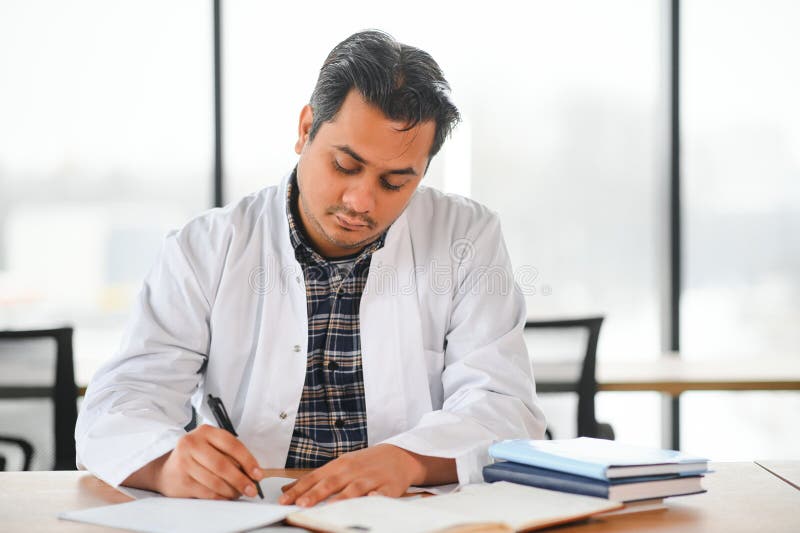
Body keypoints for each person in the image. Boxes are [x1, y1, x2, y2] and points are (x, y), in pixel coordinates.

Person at [75, 30, 546, 507]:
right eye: (345, 165)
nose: (361, 201)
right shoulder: (205, 248)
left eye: (395, 182)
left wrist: (408, 458)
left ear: (422, 174)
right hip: (249, 511)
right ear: (305, 130)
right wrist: (166, 464)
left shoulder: (466, 236)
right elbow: (117, 406)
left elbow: (505, 407)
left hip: (407, 513)